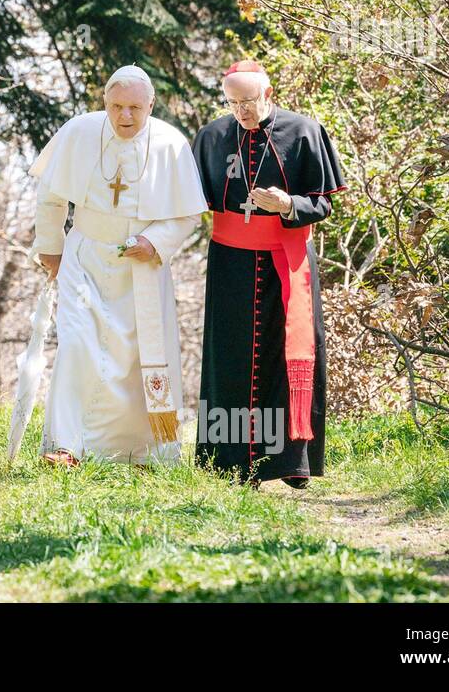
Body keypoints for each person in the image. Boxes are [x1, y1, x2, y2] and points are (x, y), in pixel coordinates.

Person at [26, 65, 207, 467]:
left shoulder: (170, 144)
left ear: (151, 105)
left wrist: (153, 241)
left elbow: (186, 215)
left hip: (141, 267)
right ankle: (67, 446)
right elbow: (51, 196)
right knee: (76, 345)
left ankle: (142, 452)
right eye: (116, 107)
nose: (125, 117)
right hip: (84, 256)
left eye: (135, 109)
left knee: (137, 358)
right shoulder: (79, 132)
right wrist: (51, 248)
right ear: (104, 103)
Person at [191, 60, 348, 488]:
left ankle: (289, 463)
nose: (242, 111)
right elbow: (190, 199)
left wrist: (288, 205)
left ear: (268, 93)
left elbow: (324, 204)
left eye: (249, 101)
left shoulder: (303, 132)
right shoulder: (211, 136)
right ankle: (231, 463)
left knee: (287, 356)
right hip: (230, 262)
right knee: (231, 358)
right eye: (233, 102)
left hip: (287, 258)